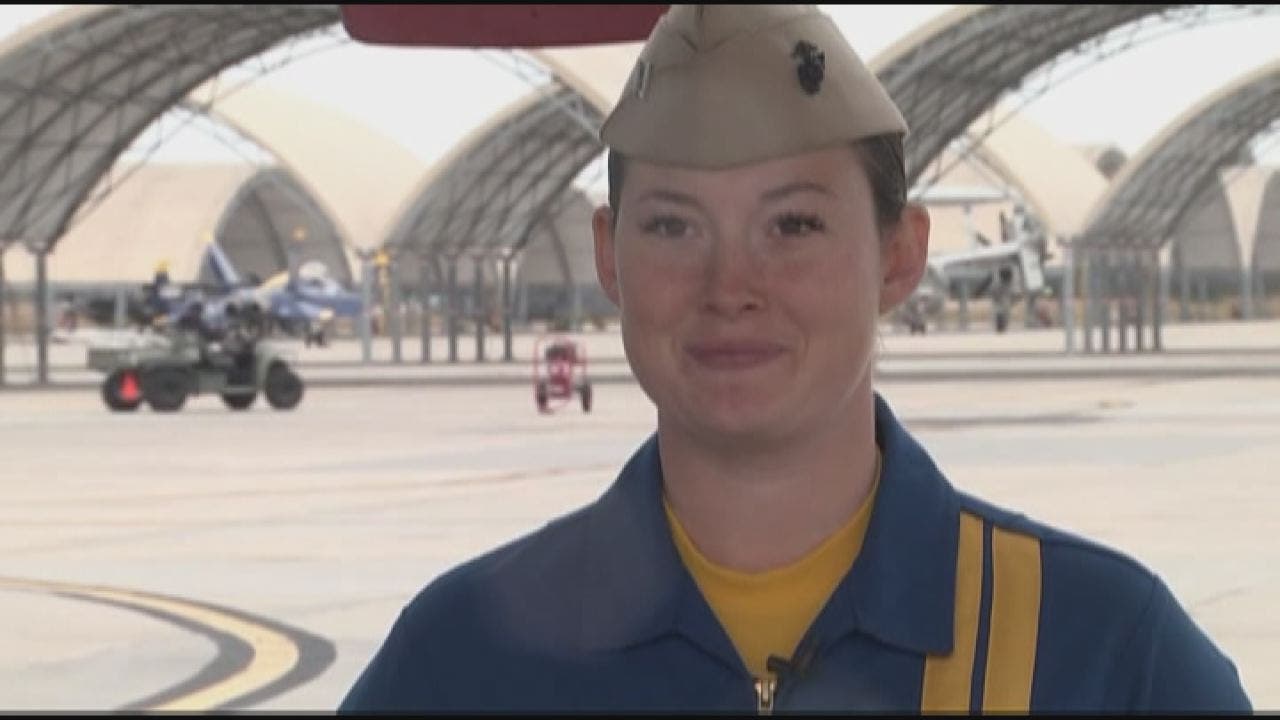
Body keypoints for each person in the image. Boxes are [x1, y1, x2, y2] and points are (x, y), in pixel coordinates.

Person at [340, 5, 1250, 713]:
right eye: (672, 226)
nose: (730, 285)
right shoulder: (466, 659)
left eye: (794, 225)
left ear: (900, 255)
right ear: (610, 258)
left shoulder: (1100, 654)